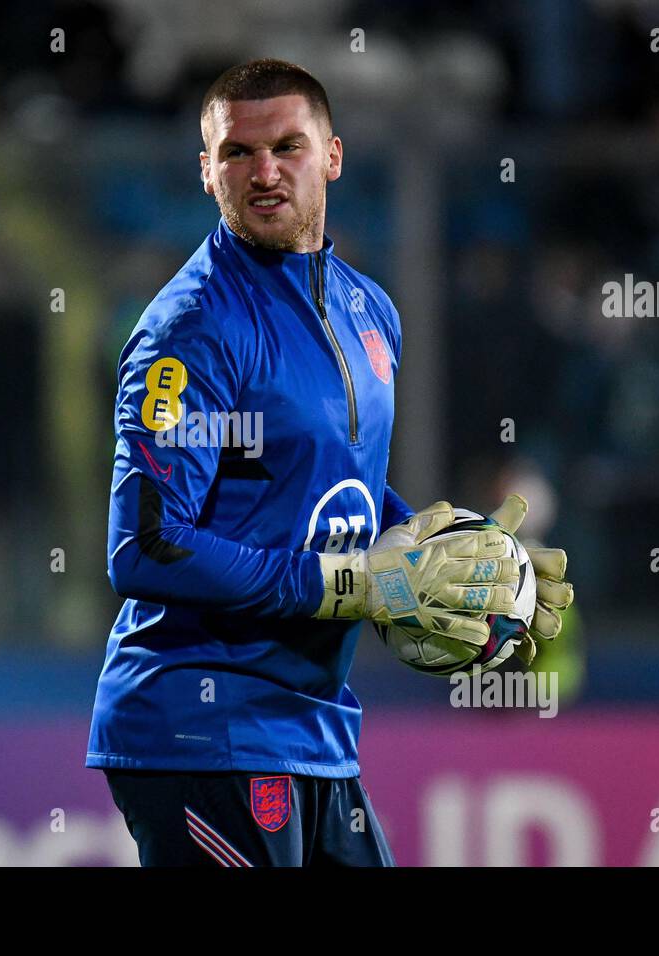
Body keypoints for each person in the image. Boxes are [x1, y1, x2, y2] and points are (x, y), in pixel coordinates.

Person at [85, 59, 573, 866]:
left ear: (334, 154)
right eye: (237, 153)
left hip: (314, 729)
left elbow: (327, 480)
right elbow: (146, 545)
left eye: (288, 145)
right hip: (204, 728)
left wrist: (452, 558)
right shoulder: (191, 329)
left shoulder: (370, 310)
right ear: (206, 172)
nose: (264, 171)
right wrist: (347, 585)